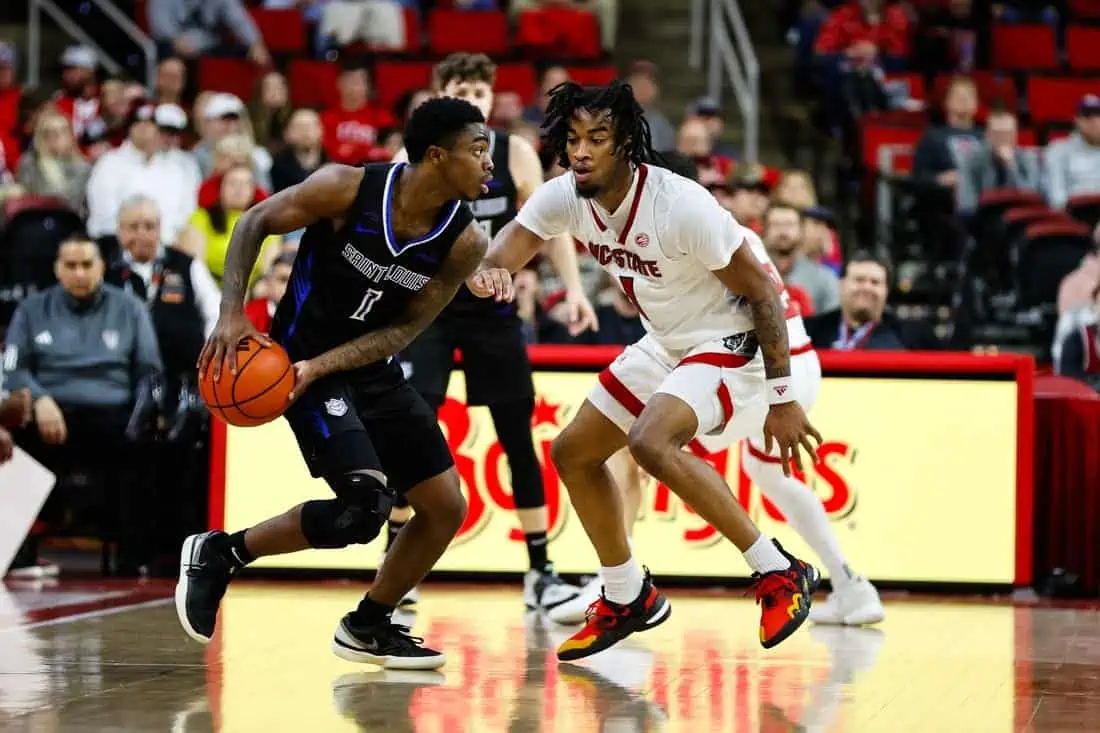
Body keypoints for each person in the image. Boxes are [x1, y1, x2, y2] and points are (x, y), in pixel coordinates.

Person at [468, 80, 824, 660]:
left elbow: (762, 293)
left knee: (649, 442)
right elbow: (515, 237)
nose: (580, 151)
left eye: (597, 139)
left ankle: (777, 570)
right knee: (572, 452)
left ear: (627, 143)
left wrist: (783, 398)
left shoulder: (679, 204)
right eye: (573, 138)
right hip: (669, 341)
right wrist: (490, 268)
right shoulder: (567, 195)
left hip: (734, 338)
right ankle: (627, 592)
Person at [176, 97, 495, 671]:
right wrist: (232, 313)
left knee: (445, 508)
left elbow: (401, 330)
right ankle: (221, 553)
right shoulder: (346, 188)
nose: (489, 165)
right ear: (437, 156)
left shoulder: (466, 242)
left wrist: (327, 366)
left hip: (361, 367)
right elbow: (254, 221)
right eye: (478, 151)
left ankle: (368, 625)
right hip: (294, 363)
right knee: (364, 507)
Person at [549, 173, 885, 630]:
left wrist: (778, 395)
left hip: (768, 367)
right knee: (770, 475)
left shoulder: (691, 233)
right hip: (791, 360)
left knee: (640, 444)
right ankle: (851, 585)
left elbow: (748, 314)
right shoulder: (720, 231)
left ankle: (617, 582)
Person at [391, 53, 596, 612]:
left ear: (492, 96)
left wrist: (573, 288)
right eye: (461, 88)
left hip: (494, 307)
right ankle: (397, 562)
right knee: (412, 430)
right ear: (439, 94)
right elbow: (390, 240)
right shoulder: (416, 156)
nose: (473, 98)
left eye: (481, 90)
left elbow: (552, 224)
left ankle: (541, 571)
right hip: (428, 307)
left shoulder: (516, 153)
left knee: (517, 435)